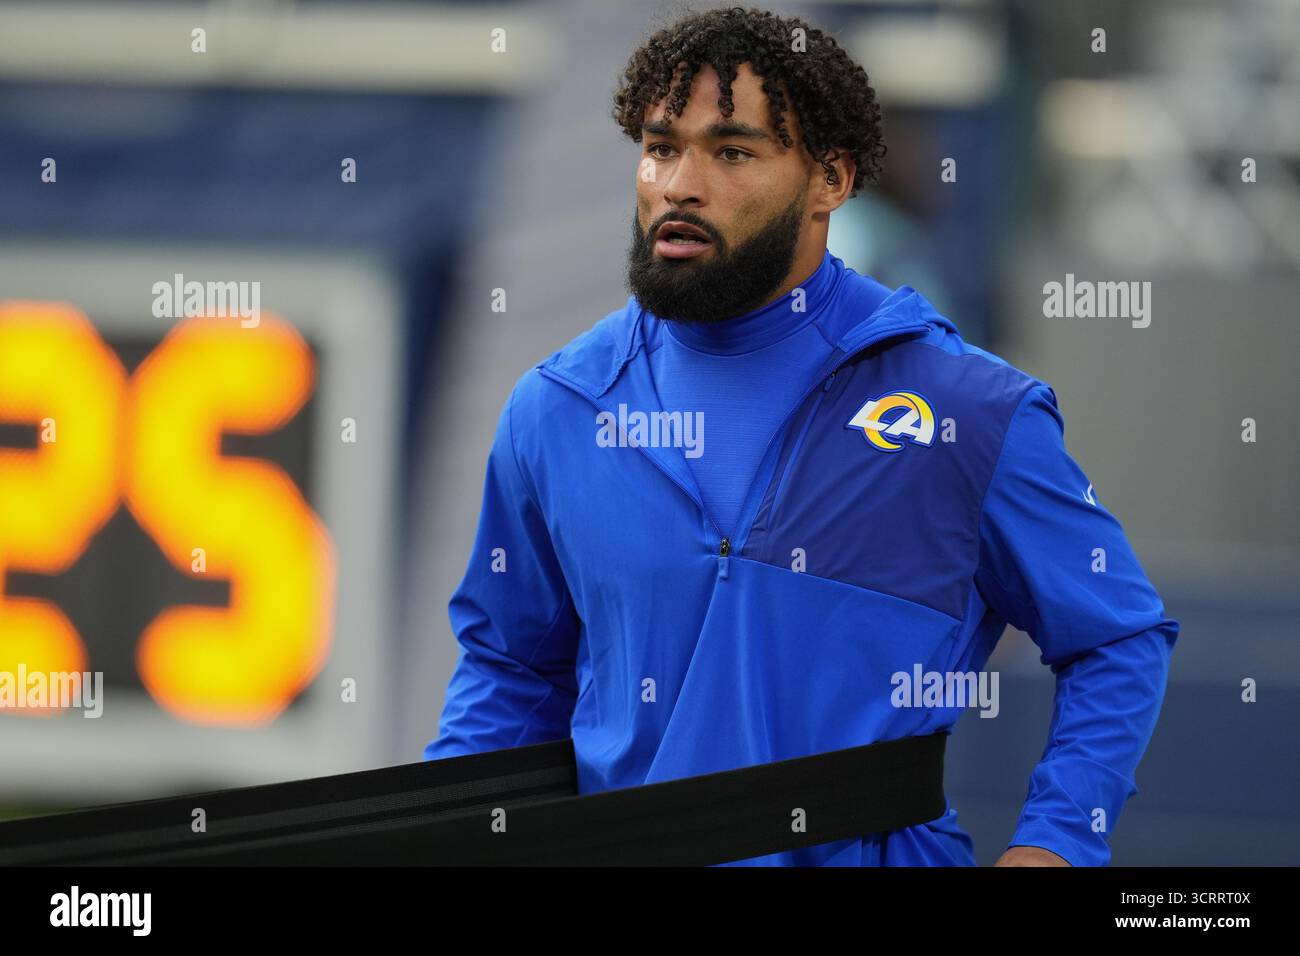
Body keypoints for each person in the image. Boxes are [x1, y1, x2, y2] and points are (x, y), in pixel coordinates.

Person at [424, 6, 1177, 867]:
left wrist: (1054, 846)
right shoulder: (554, 408)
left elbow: (1117, 637)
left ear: (830, 180)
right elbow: (510, 671)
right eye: (662, 146)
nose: (679, 185)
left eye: (732, 151)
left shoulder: (971, 410)